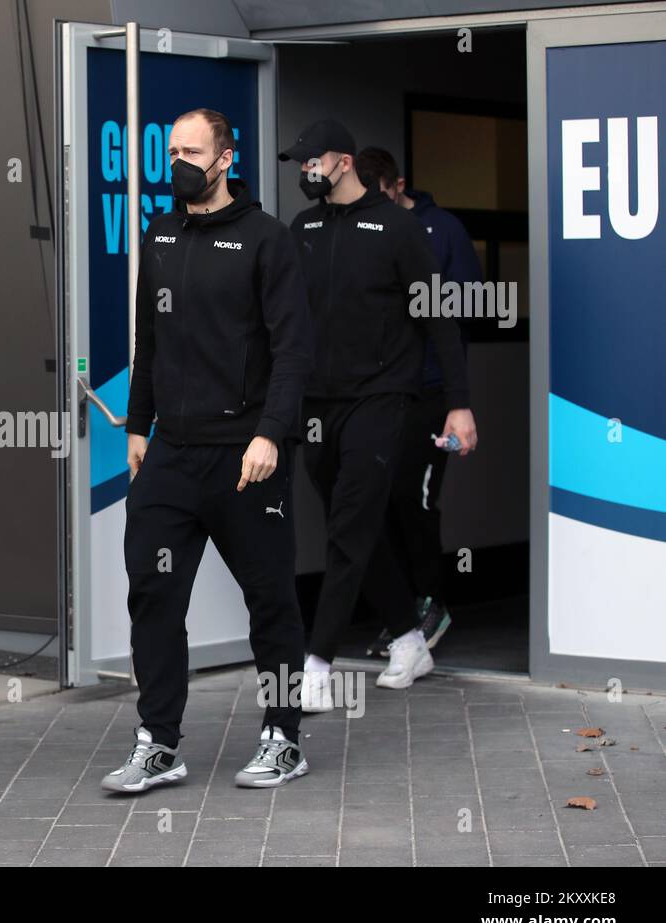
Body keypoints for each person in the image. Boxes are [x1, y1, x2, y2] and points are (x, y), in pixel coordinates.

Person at [102, 108, 314, 793]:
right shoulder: (160, 235)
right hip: (171, 454)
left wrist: (269, 434)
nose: (178, 162)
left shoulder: (267, 240)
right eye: (172, 150)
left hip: (247, 458)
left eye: (192, 151)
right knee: (153, 594)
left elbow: (293, 352)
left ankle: (283, 737)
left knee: (271, 599)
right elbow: (149, 340)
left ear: (226, 158)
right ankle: (159, 743)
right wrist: (138, 425)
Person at [279, 119, 478, 711]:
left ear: (341, 162)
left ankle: (316, 663)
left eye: (311, 162)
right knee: (354, 526)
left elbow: (439, 318)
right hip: (316, 406)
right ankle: (412, 638)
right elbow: (286, 320)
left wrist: (459, 406)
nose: (305, 172)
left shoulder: (397, 227)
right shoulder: (303, 227)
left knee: (348, 522)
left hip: (382, 401)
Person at [354, 146, 483, 658]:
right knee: (376, 500)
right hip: (377, 393)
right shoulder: (361, 229)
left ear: (398, 185)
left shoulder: (441, 230)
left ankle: (433, 601)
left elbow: (469, 303)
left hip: (430, 391)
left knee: (417, 497)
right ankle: (401, 614)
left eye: (381, 195)